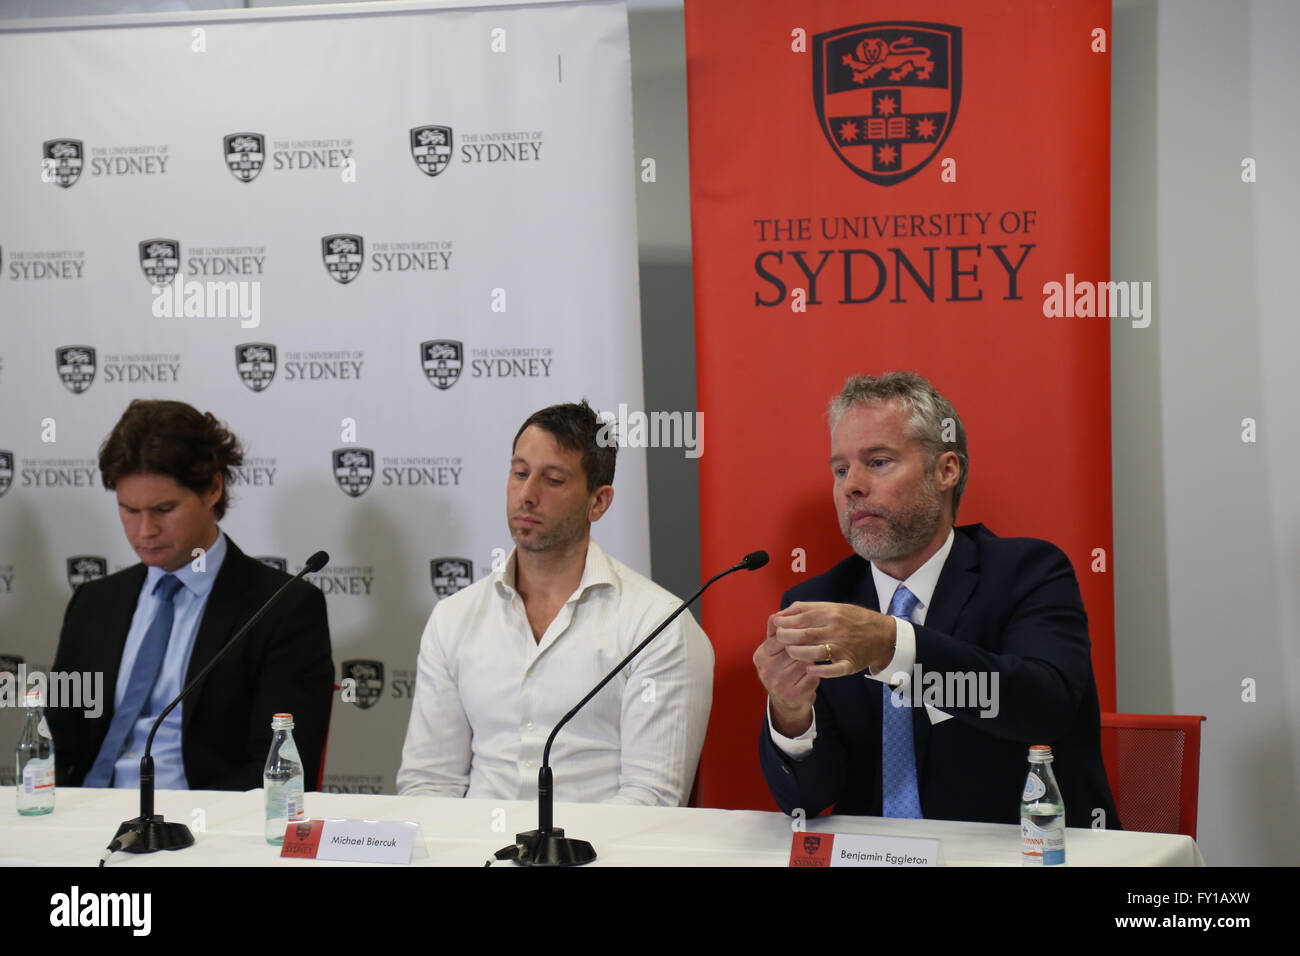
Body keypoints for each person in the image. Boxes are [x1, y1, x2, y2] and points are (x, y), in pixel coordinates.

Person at [755, 371, 1118, 827]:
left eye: (879, 462)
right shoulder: (819, 600)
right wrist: (790, 715)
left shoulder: (1027, 572)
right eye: (841, 469)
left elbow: (1045, 708)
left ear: (946, 470)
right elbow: (805, 801)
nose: (852, 486)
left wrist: (892, 644)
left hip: (1017, 854)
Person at [398, 400, 713, 805]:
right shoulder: (454, 618)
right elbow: (429, 783)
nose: (527, 495)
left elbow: (649, 800)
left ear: (598, 502)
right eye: (520, 473)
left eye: (553, 480)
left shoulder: (658, 625)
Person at [48, 399, 333, 791]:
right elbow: (58, 744)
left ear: (213, 487)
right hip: (82, 822)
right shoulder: (94, 603)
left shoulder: (282, 608)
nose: (144, 531)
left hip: (202, 831)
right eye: (129, 510)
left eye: (164, 509)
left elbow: (278, 767)